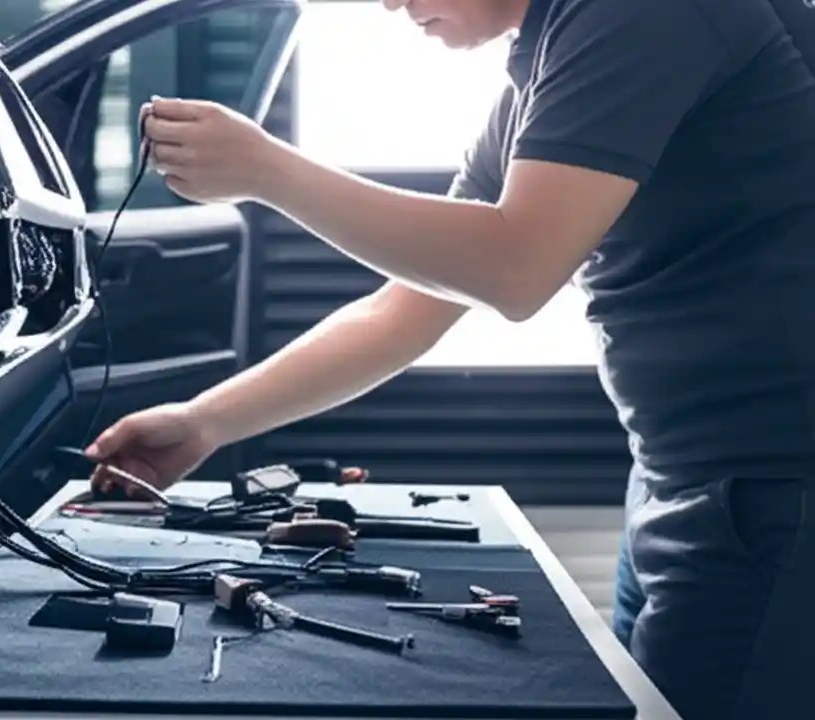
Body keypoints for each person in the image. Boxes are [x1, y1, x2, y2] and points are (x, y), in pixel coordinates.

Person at [83, 0, 815, 718]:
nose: (388, 2)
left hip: (774, 486)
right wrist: (204, 422)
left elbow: (516, 266)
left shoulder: (643, 13)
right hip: (680, 479)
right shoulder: (553, 62)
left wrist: (269, 172)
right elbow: (402, 311)